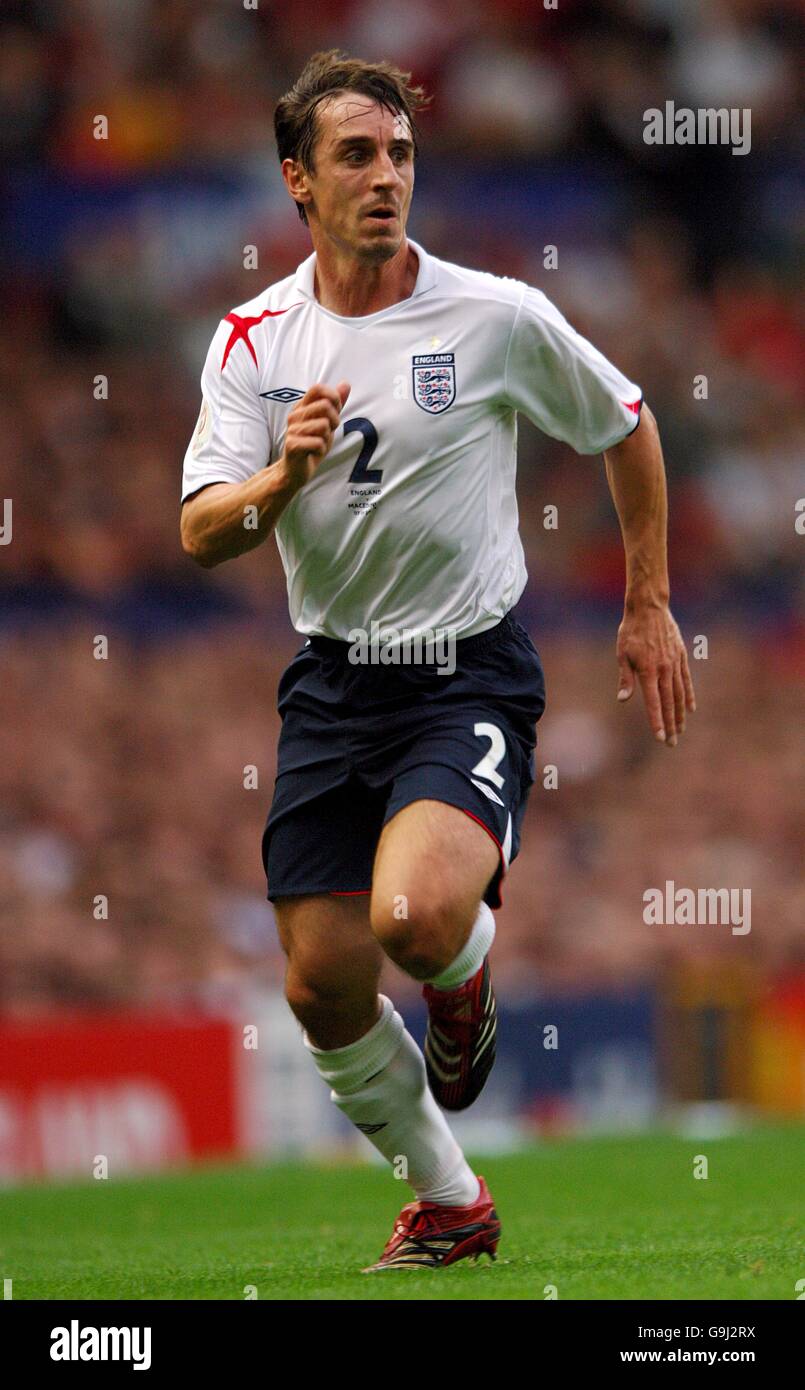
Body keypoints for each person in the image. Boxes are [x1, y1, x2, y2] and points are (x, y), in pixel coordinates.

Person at [180, 50, 696, 1272]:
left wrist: (648, 601)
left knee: (411, 915)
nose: (386, 174)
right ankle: (452, 1199)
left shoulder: (494, 315)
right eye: (356, 154)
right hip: (330, 680)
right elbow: (204, 532)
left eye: (401, 152)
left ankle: (460, 974)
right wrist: (280, 479)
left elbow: (626, 424)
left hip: (465, 670)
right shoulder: (254, 339)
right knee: (317, 985)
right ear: (296, 181)